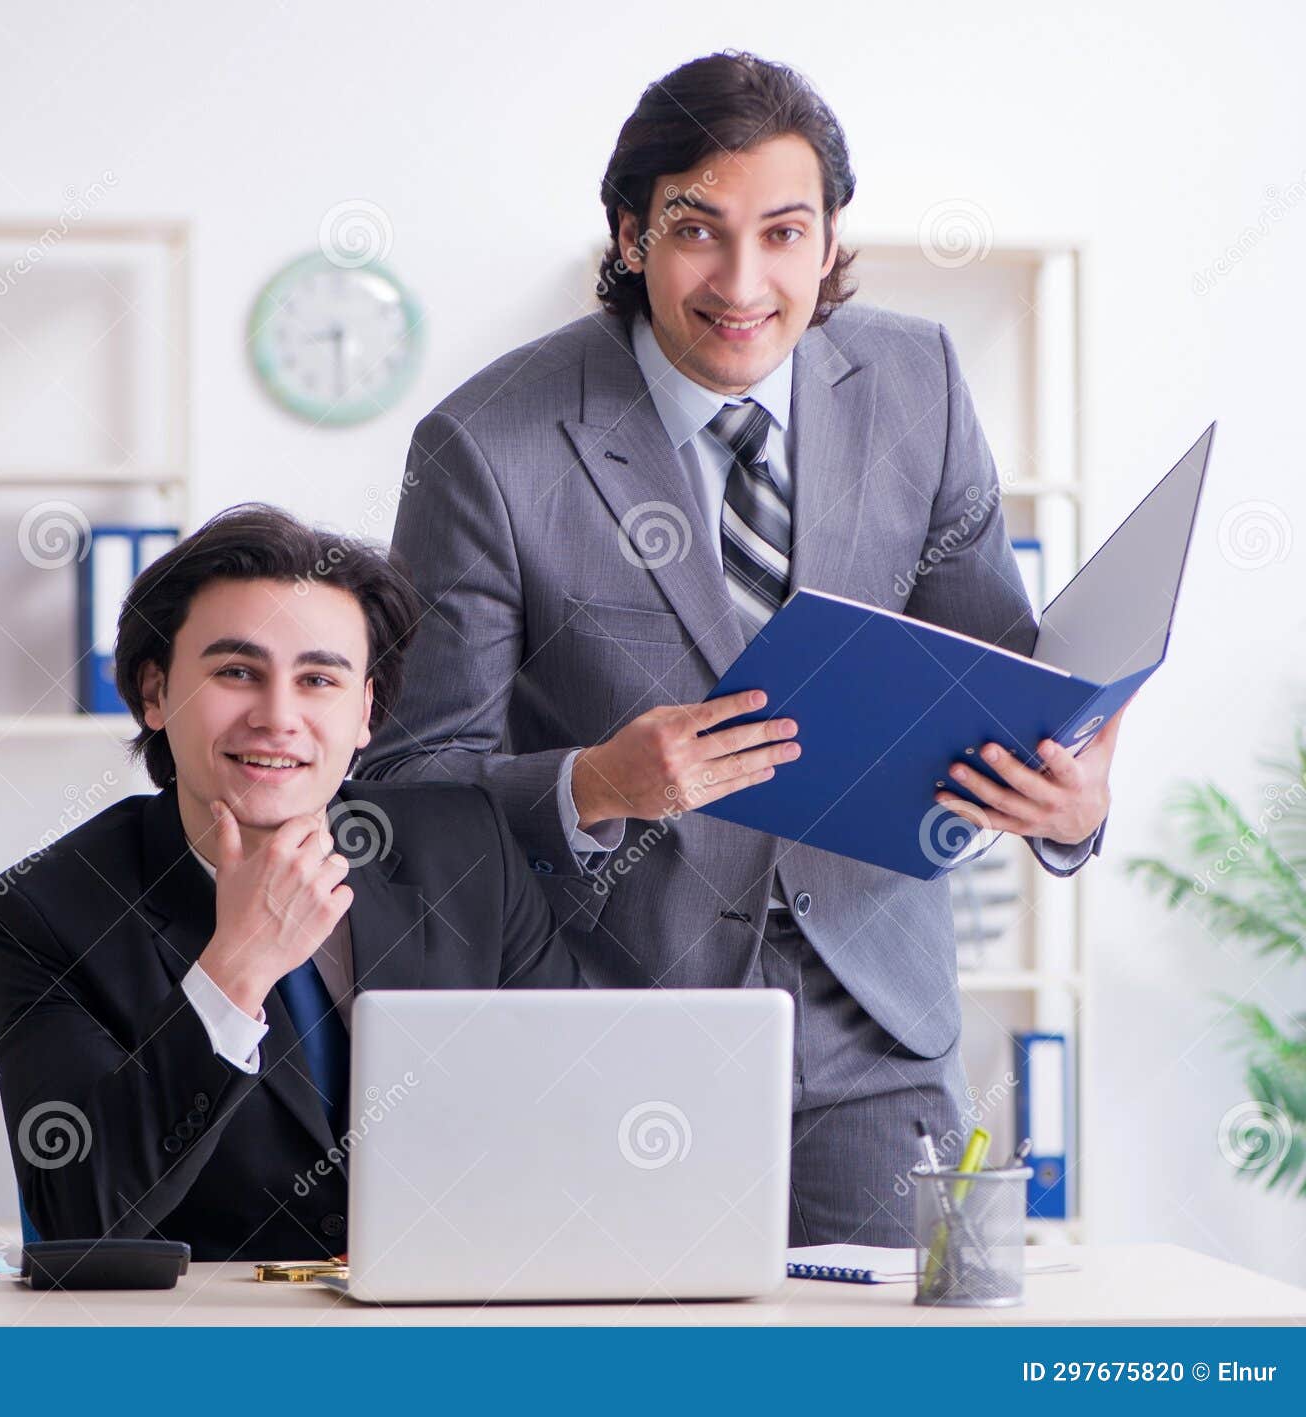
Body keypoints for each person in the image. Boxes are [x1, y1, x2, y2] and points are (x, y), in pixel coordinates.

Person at [360, 51, 1118, 1246]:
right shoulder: (484, 445)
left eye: (783, 231)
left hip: (880, 1044)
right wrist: (596, 783)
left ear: (828, 244)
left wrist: (1070, 802)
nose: (743, 280)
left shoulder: (916, 380)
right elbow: (397, 799)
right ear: (628, 236)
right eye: (696, 229)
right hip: (608, 1048)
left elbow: (999, 680)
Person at [0, 505, 580, 1261]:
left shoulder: (468, 849)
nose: (278, 716)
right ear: (155, 692)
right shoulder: (45, 910)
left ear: (365, 712)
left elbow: (573, 1106)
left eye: (319, 678)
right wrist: (237, 968)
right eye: (236, 672)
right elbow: (81, 1213)